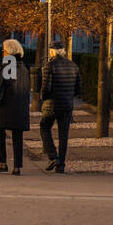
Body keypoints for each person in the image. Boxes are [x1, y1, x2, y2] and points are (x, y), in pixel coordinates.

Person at [0, 39, 31, 175]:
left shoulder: (6, 66)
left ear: (9, 51)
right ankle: (17, 166)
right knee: (17, 136)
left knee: (0, 132)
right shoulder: (24, 67)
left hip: (5, 106)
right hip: (20, 106)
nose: (3, 52)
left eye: (4, 50)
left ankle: (2, 163)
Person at [39, 40, 81, 174]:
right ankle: (61, 165)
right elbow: (78, 89)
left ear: (52, 51)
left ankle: (53, 157)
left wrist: (43, 97)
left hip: (52, 104)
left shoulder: (50, 66)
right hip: (67, 105)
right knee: (64, 135)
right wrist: (68, 96)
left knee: (44, 127)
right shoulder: (73, 66)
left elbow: (46, 88)